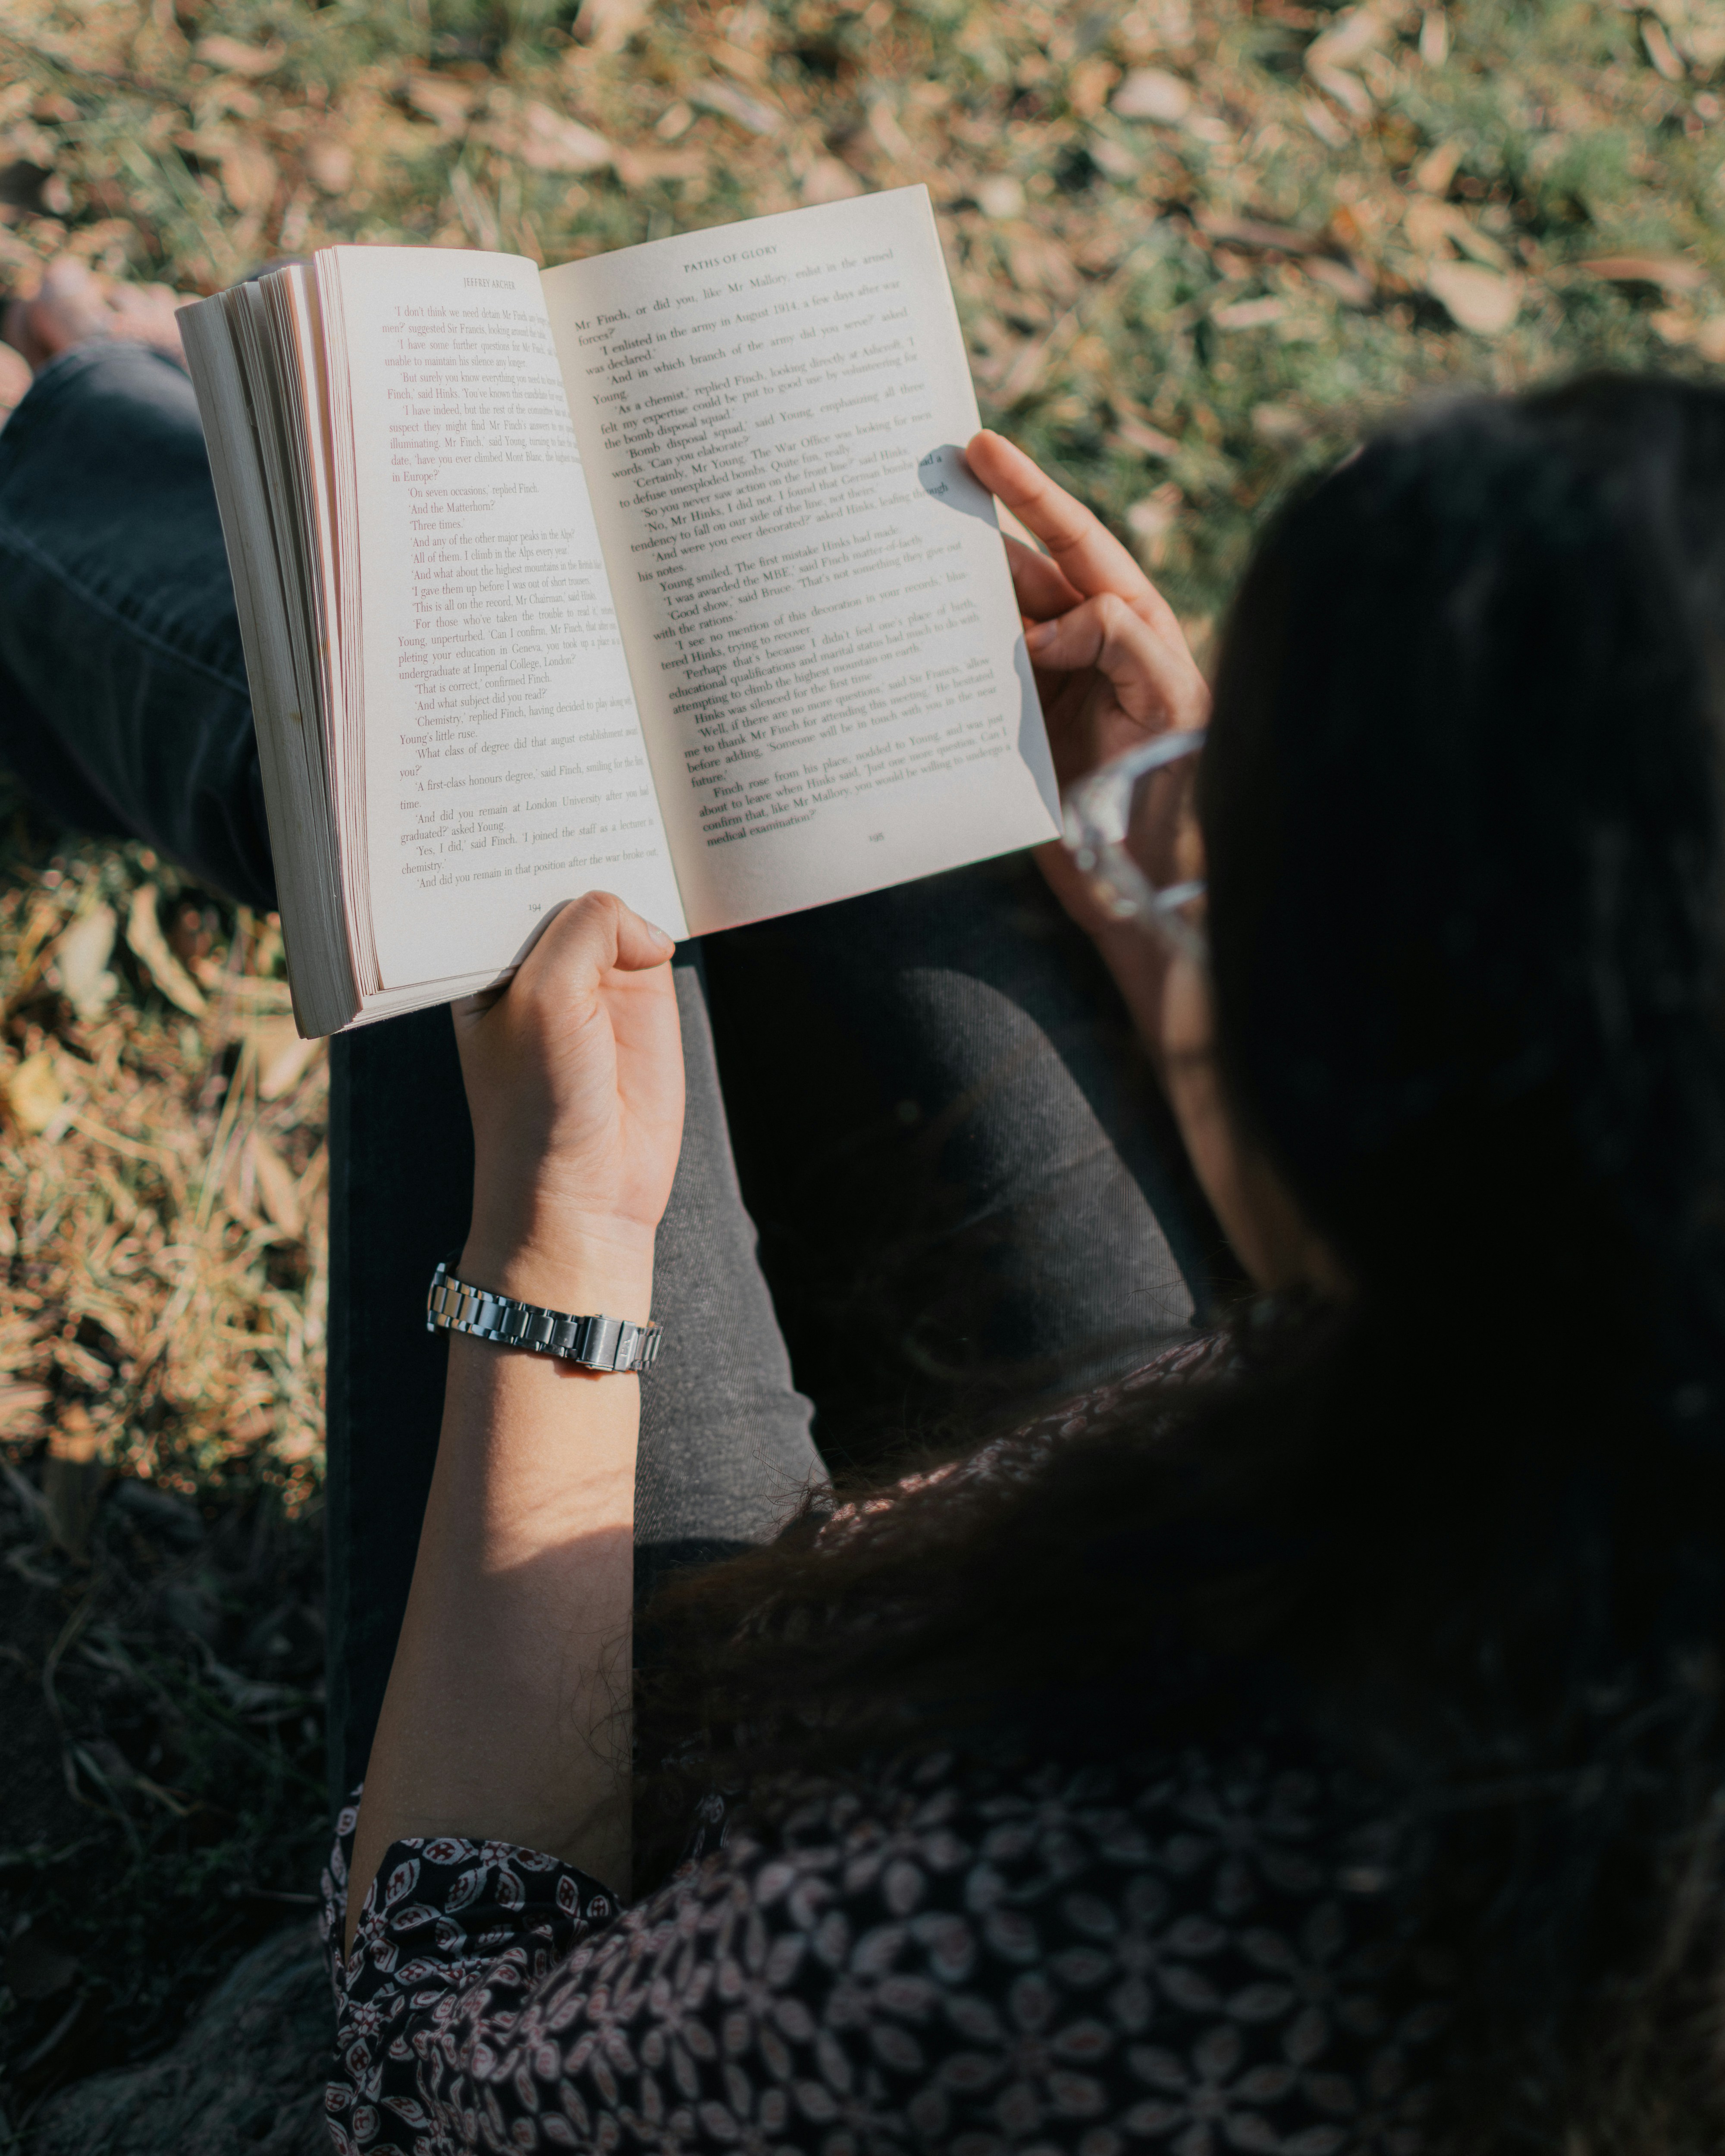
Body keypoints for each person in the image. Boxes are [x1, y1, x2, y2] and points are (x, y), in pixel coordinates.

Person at [8, 269, 1725, 2148]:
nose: (1176, 822)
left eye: (1241, 834)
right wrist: (1144, 902)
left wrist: (556, 1257)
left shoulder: (1053, 1920)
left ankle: (106, 470)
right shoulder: (1600, 1385)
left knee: (486, 860)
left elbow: (439, 2077)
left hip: (747, 1828)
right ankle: (135, 471)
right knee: (868, 771)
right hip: (1202, 1487)